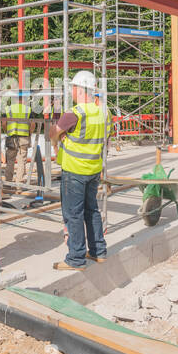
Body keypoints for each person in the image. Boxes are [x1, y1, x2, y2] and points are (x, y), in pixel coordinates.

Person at [50, 70, 107, 270]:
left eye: (74, 88)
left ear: (81, 89)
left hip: (74, 171)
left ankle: (76, 258)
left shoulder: (73, 114)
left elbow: (53, 133)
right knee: (92, 211)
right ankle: (98, 251)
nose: (72, 91)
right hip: (93, 170)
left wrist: (60, 139)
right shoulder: (102, 112)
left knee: (73, 214)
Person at [1, 89, 32, 187]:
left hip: (12, 137)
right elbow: (33, 124)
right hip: (24, 138)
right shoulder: (28, 109)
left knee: (10, 160)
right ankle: (19, 184)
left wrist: (7, 132)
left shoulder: (8, 109)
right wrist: (29, 134)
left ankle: (8, 183)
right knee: (21, 161)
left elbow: (4, 123)